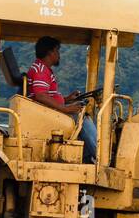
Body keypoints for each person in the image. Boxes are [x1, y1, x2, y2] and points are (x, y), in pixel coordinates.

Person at [25, 36, 97, 164]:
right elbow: (40, 95)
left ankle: (87, 157)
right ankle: (99, 155)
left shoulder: (42, 69)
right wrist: (65, 108)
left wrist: (66, 99)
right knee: (82, 118)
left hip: (48, 111)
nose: (59, 55)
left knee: (79, 112)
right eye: (58, 51)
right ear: (50, 52)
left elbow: (47, 95)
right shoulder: (41, 70)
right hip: (46, 114)